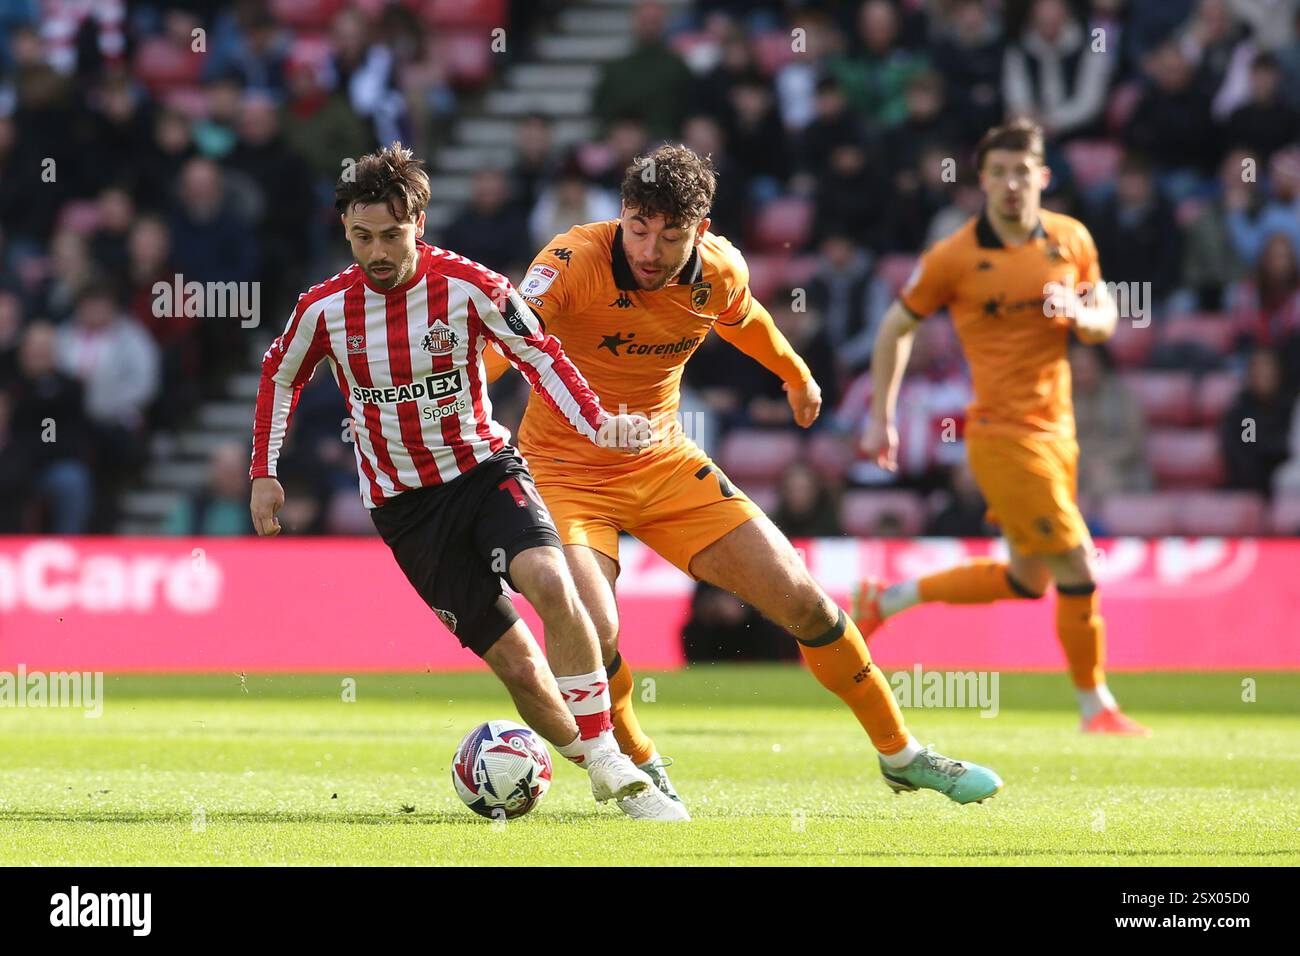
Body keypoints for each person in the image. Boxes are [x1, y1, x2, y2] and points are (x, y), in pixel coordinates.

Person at [487, 145, 1003, 815]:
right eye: (638, 228)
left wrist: (794, 373)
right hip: (564, 476)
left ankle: (901, 755)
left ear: (699, 231)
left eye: (669, 235)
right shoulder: (569, 262)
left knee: (807, 604)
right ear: (621, 216)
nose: (649, 247)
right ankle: (641, 763)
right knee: (596, 627)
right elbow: (502, 345)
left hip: (665, 463)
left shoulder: (719, 270)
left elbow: (745, 318)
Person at [247, 143, 680, 821]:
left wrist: (596, 423)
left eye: (392, 235)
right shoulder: (325, 309)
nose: (378, 252)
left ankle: (607, 760)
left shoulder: (471, 286)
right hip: (407, 510)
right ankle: (592, 761)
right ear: (346, 233)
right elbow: (280, 375)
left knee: (550, 578)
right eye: (363, 238)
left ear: (419, 222)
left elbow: (541, 354)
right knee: (515, 663)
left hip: (483, 471)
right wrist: (265, 472)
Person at [855, 119, 1151, 737]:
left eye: (1023, 172)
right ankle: (1096, 707)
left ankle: (887, 599)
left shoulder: (1071, 239)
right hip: (1001, 434)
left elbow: (1104, 316)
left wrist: (1081, 316)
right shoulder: (954, 256)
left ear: (1041, 178)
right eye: (999, 173)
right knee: (1077, 567)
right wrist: (882, 415)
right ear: (982, 180)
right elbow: (895, 328)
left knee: (1027, 580)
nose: (1012, 184)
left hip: (1059, 431)